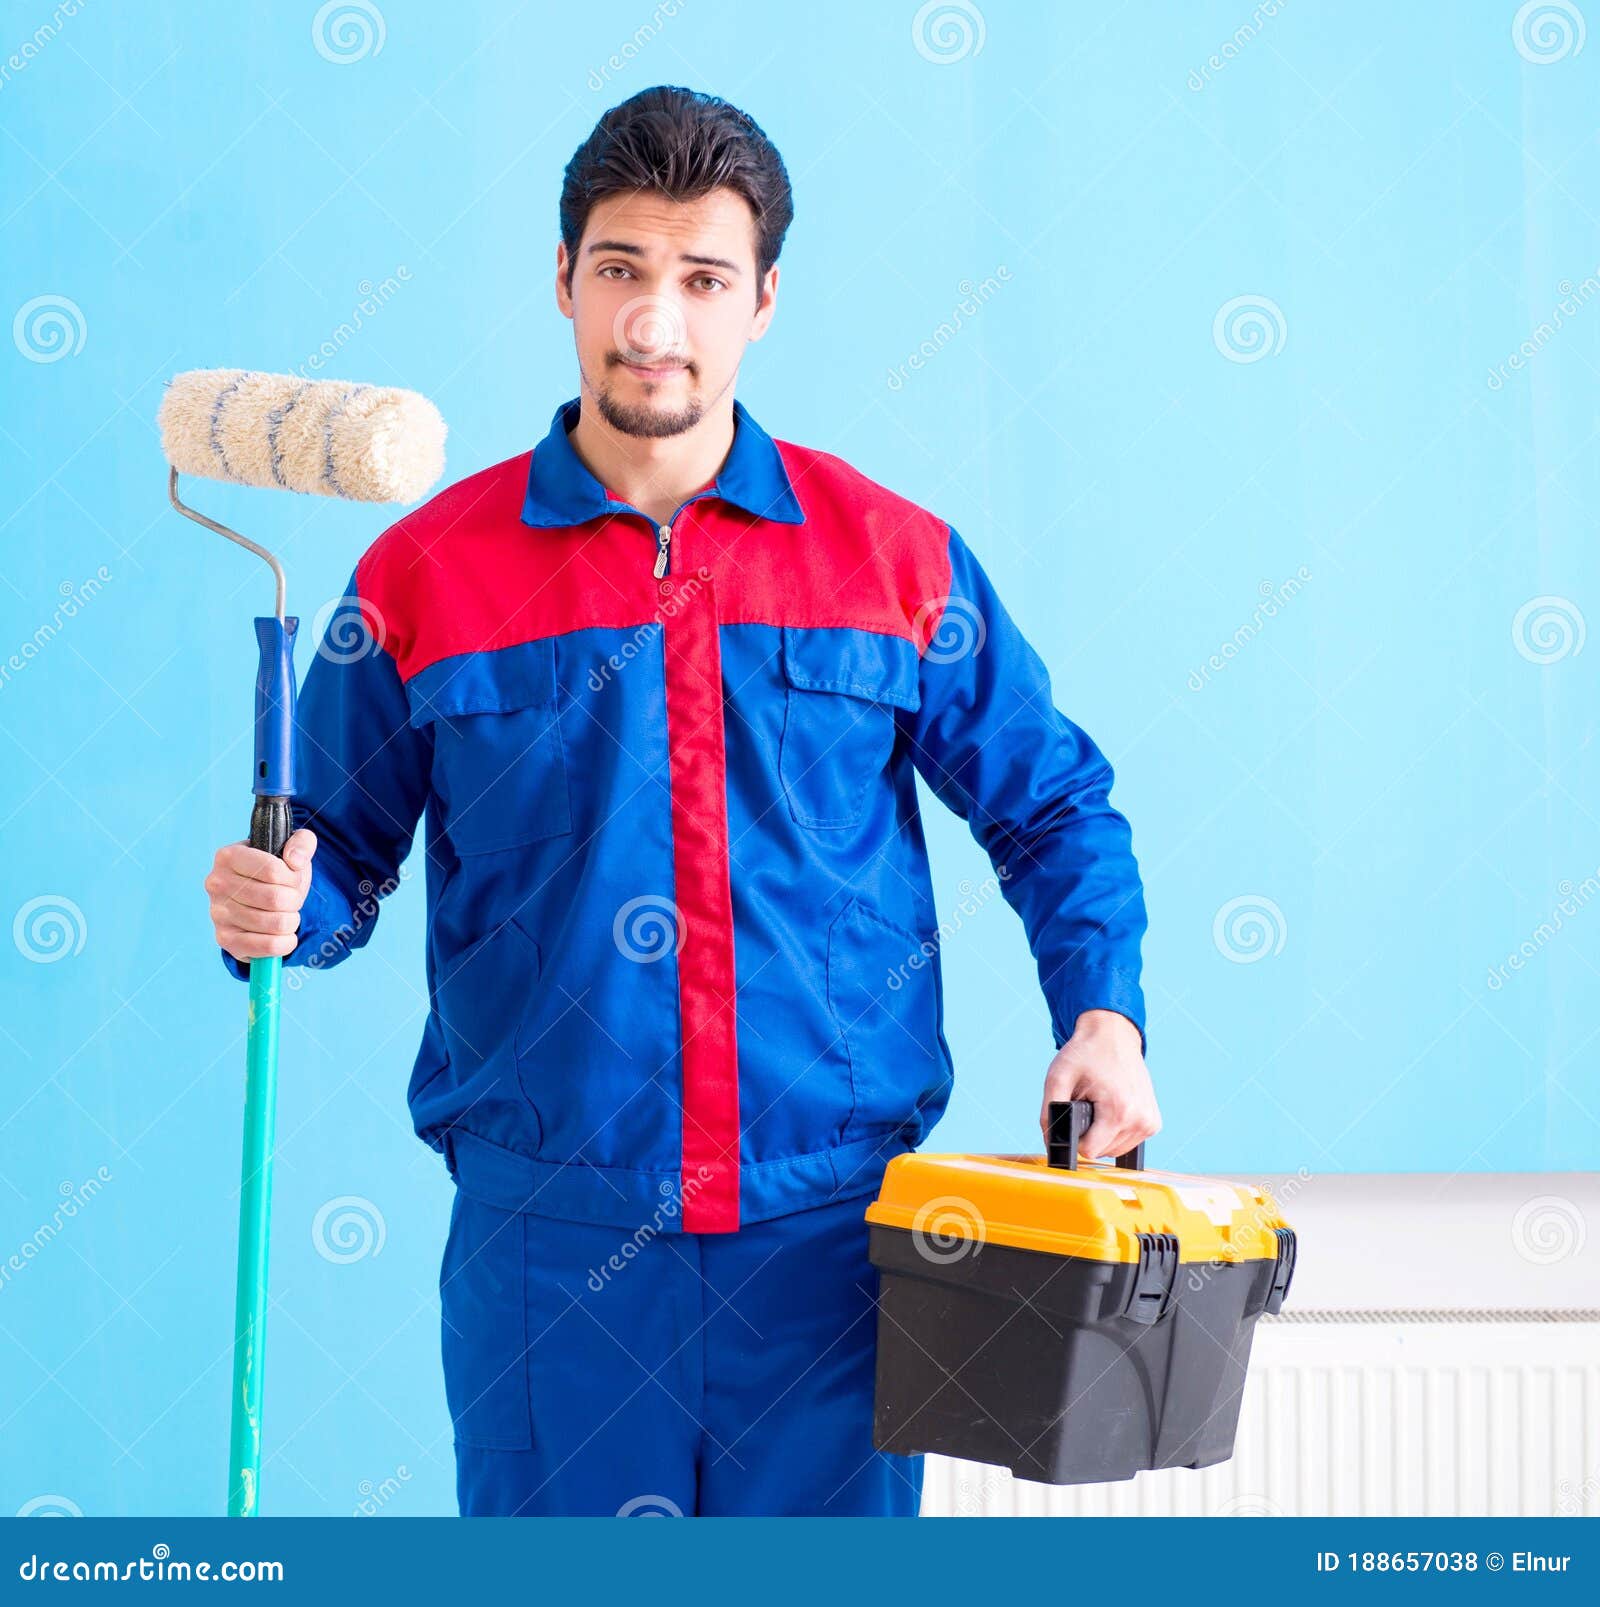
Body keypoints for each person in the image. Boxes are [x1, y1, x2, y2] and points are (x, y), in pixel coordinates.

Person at [203, 84, 1158, 1518]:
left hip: (830, 1241)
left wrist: (1104, 1013)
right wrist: (279, 905)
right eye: (622, 271)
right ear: (567, 285)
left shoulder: (895, 562)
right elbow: (331, 862)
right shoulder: (421, 579)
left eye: (703, 279)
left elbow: (1055, 807)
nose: (657, 323)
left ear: (763, 300)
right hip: (549, 1247)